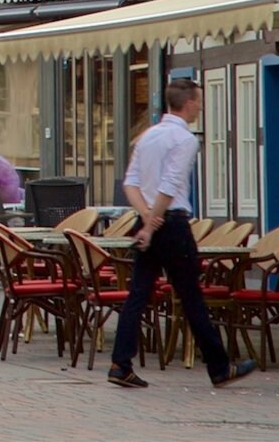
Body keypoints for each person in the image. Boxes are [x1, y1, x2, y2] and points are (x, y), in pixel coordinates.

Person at [106, 78, 256, 391]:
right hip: (171, 223)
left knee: (138, 293)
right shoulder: (185, 139)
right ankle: (219, 367)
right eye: (199, 101)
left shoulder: (148, 136)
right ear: (187, 103)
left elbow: (130, 182)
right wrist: (153, 222)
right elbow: (170, 185)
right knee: (190, 295)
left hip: (151, 217)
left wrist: (145, 216)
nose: (201, 106)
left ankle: (121, 363)